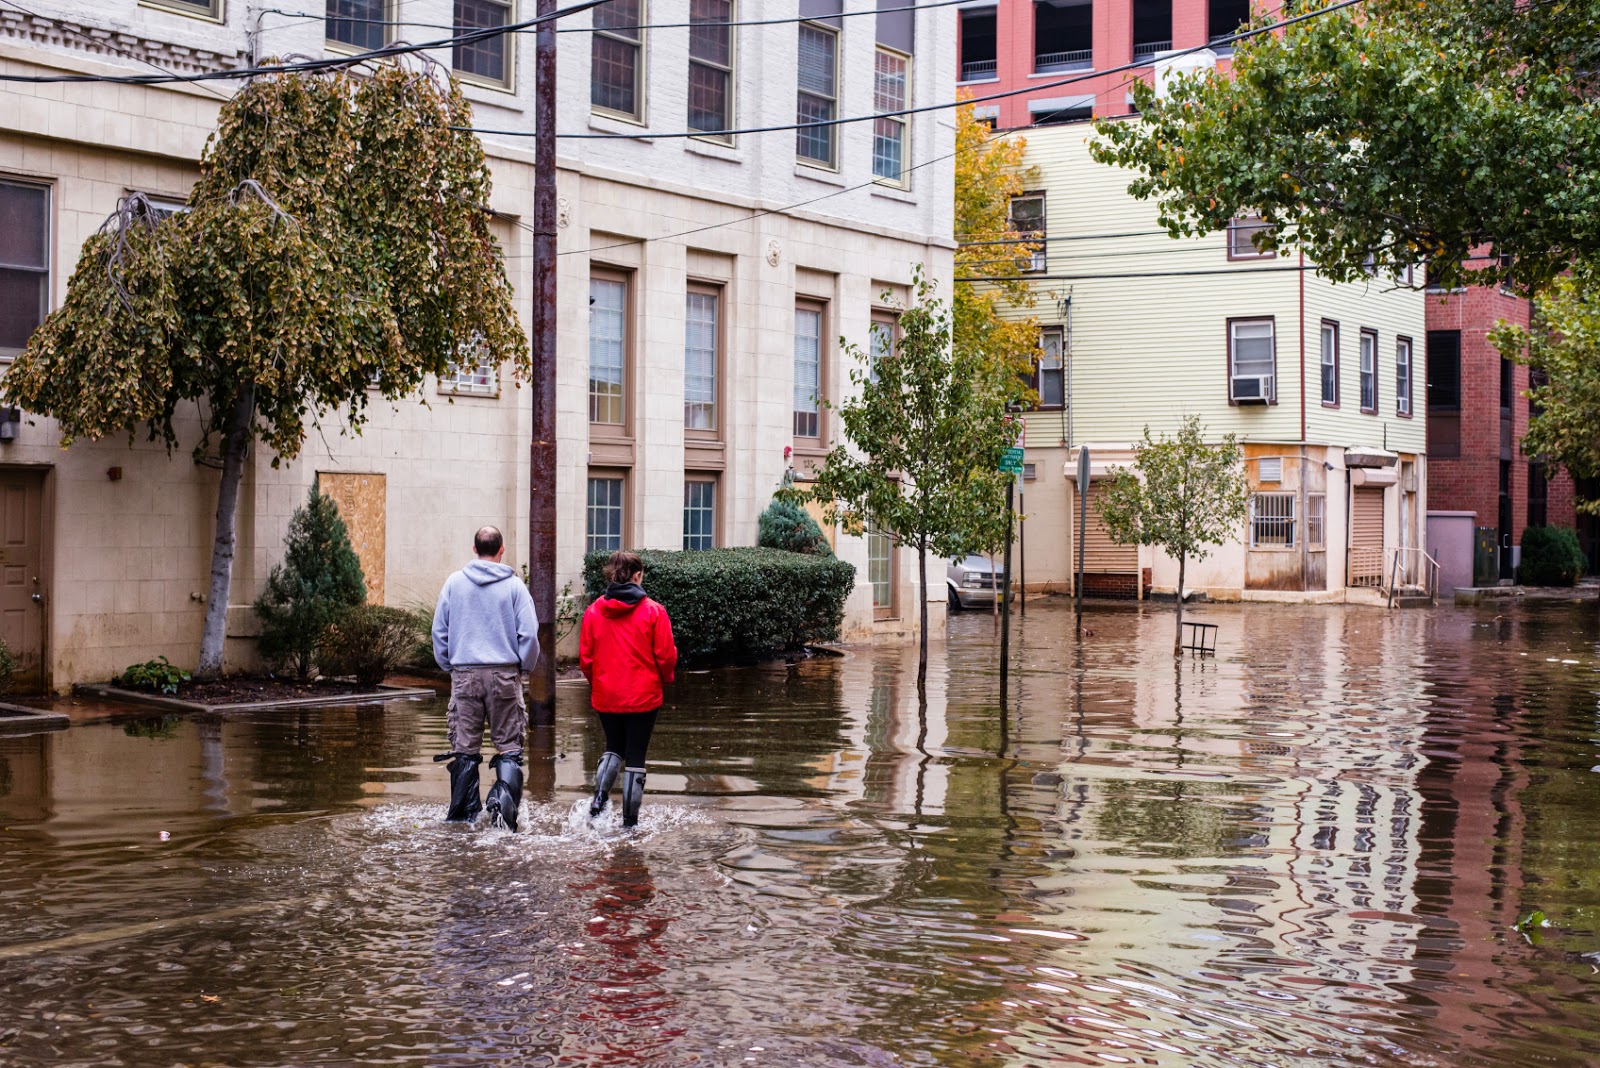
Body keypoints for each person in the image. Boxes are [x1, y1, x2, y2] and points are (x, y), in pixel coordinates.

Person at [431, 525, 539, 831]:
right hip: (504, 673)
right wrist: (523, 667)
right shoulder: (515, 587)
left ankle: (463, 819)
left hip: (465, 674)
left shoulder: (454, 583)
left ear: (475, 549)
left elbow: (439, 631)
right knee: (509, 747)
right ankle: (503, 811)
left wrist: (449, 665)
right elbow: (530, 635)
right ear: (502, 549)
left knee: (465, 748)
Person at [579, 550, 677, 829]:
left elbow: (586, 659)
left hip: (606, 695)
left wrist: (599, 684)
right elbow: (665, 656)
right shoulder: (654, 611)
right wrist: (665, 679)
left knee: (613, 747)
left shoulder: (593, 611)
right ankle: (630, 823)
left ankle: (599, 800)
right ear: (637, 576)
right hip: (643, 696)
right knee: (635, 755)